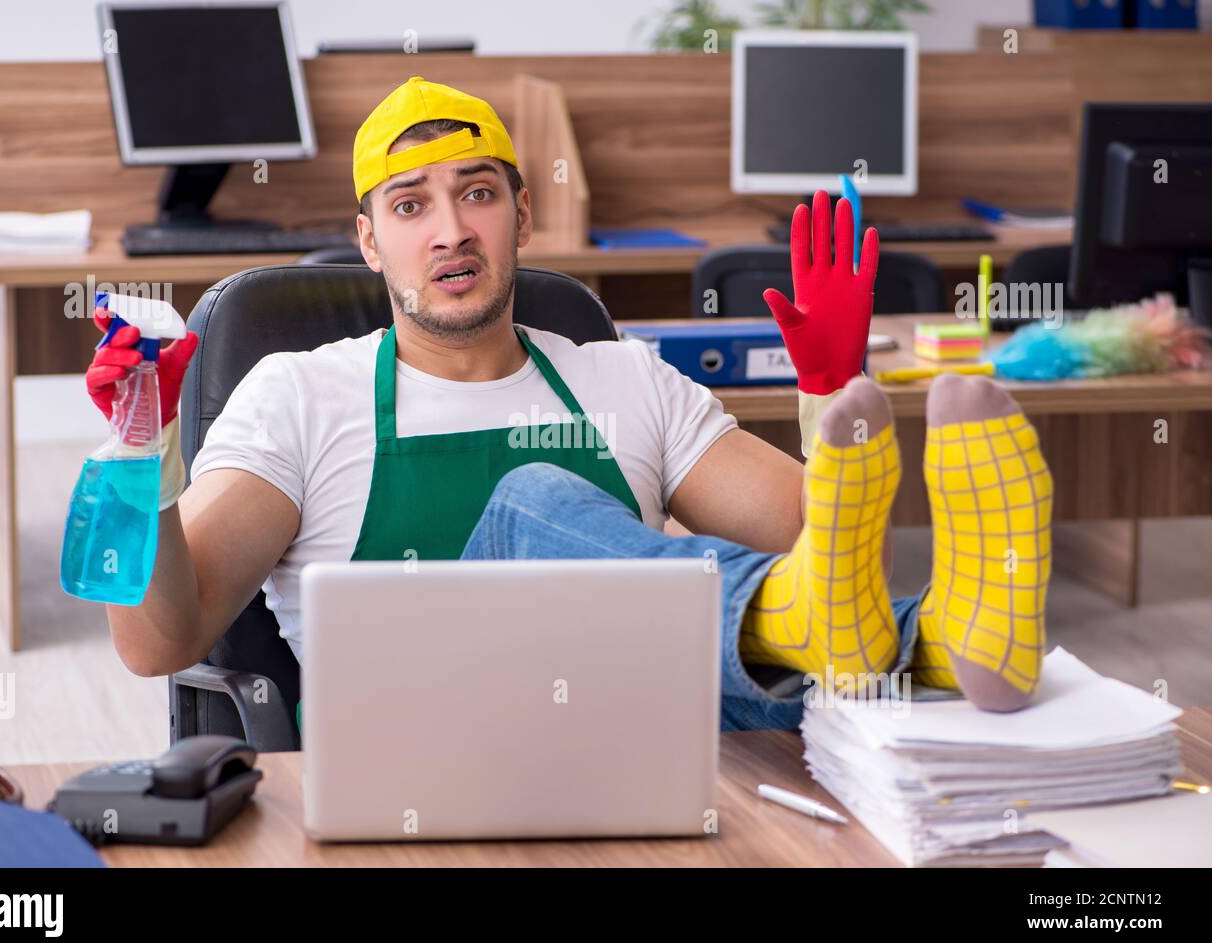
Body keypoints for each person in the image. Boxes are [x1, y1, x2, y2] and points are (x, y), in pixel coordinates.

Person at [85, 76, 1053, 732]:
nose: (452, 231)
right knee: (534, 503)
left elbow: (834, 563)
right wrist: (141, 452)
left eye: (477, 194)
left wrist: (828, 391)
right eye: (412, 205)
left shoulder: (619, 377)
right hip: (420, 762)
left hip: (638, 740)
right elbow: (156, 641)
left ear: (522, 215)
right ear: (369, 241)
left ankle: (945, 639)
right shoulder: (299, 396)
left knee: (838, 655)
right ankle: (883, 639)